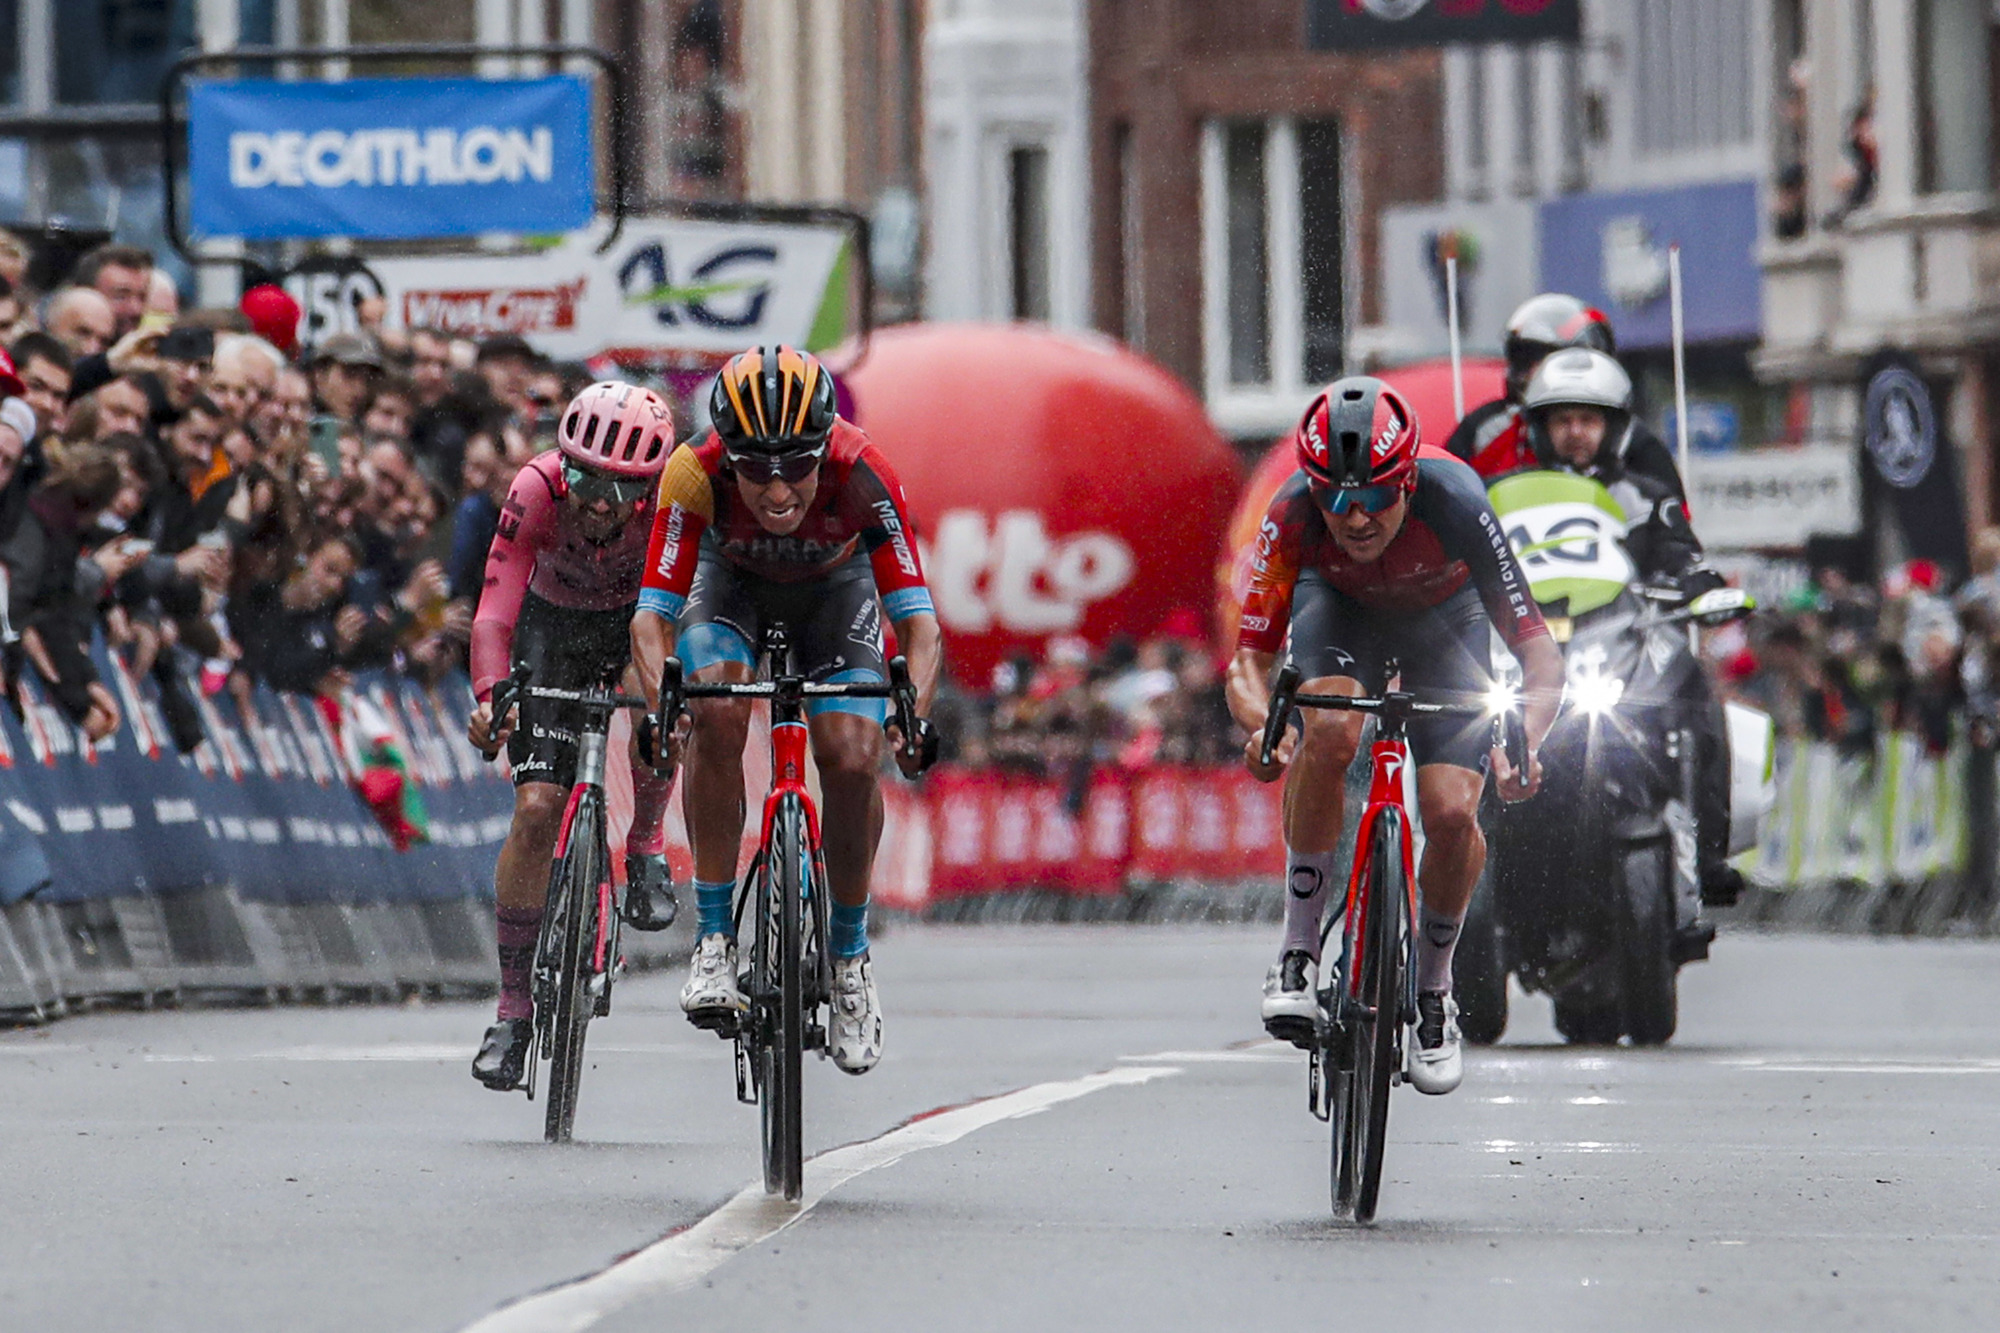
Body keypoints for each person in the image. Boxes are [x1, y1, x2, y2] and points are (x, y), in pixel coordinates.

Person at [1226, 377, 1563, 1095]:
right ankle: (1295, 952)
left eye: (1375, 495)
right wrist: (1263, 730)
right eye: (1334, 496)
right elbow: (1248, 664)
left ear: (1408, 479)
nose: (1353, 516)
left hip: (1448, 625)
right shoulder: (1292, 514)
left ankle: (1435, 993)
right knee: (1332, 734)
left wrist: (1525, 742)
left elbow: (1540, 656)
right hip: (1339, 613)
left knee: (1448, 812)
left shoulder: (1459, 501)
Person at [629, 345, 943, 1076]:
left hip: (836, 595)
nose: (776, 490)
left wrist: (912, 715)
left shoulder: (864, 471)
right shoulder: (692, 471)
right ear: (725, 452)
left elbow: (921, 626)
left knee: (853, 753)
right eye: (754, 466)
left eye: (796, 465)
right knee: (713, 706)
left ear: (825, 447)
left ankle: (851, 957)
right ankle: (712, 943)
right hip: (729, 586)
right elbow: (652, 618)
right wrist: (661, 703)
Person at [463, 381, 682, 1092]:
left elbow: (678, 615)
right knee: (534, 809)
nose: (596, 500)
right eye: (584, 476)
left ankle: (644, 841)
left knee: (661, 709)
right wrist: (493, 697)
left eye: (620, 488)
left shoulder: (672, 507)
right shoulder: (534, 488)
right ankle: (513, 1008)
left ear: (647, 489)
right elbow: (494, 612)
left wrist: (666, 690)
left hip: (636, 622)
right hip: (548, 629)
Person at [1518, 348, 1741, 907]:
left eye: (1588, 419)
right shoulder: (1505, 497)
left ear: (1613, 427)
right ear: (1541, 429)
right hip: (1531, 649)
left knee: (1693, 686)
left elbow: (1681, 552)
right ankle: (1440, 844)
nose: (1575, 432)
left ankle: (1709, 852)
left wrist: (1700, 581)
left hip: (1618, 641)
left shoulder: (1644, 496)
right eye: (1562, 419)